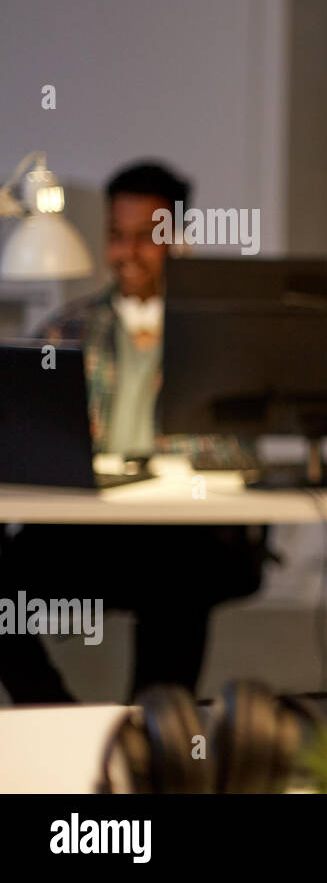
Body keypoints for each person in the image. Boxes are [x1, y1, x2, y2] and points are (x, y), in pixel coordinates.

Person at [0, 162, 267, 704]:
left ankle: (151, 741)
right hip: (87, 529)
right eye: (117, 237)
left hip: (181, 531)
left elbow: (240, 453)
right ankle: (57, 718)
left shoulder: (218, 337)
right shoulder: (66, 330)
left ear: (179, 241)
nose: (127, 254)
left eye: (147, 238)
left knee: (179, 585)